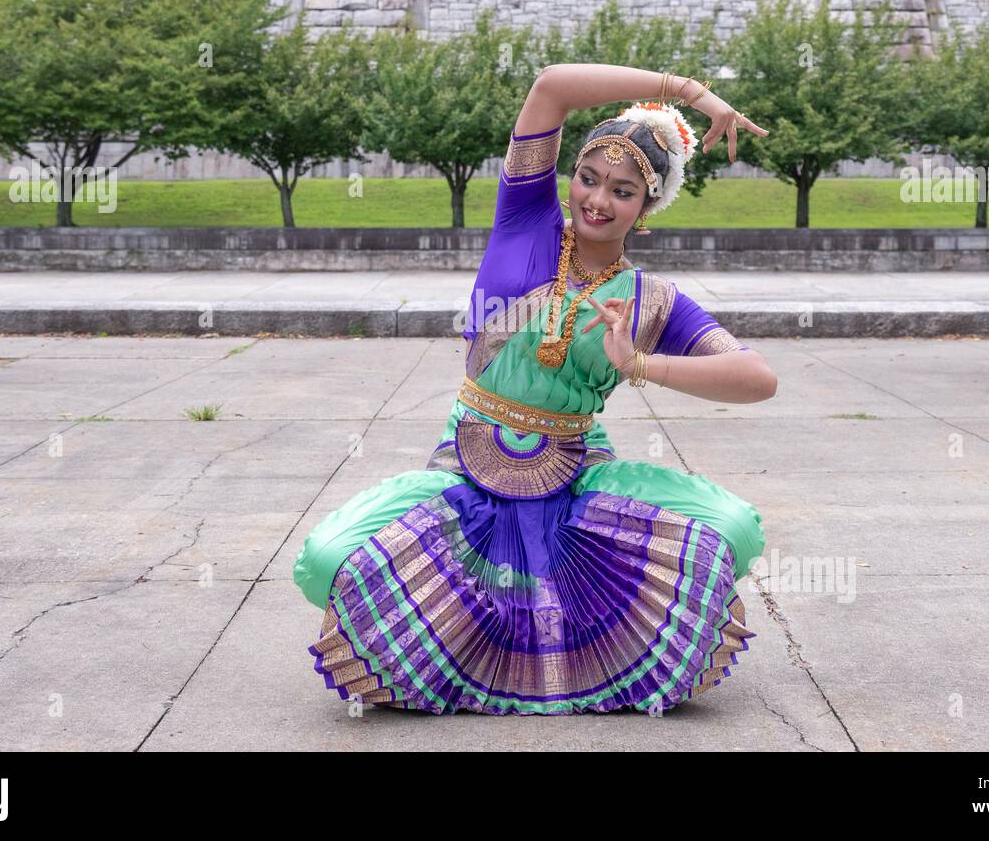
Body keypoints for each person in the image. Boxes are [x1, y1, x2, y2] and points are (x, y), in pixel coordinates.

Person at [293, 64, 777, 715]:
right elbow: (550, 87)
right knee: (328, 560)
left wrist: (640, 365)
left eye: (623, 190)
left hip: (579, 476)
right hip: (467, 466)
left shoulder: (650, 301)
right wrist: (686, 90)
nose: (598, 200)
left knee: (730, 531)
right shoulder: (525, 221)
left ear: (648, 204)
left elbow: (757, 378)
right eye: (588, 177)